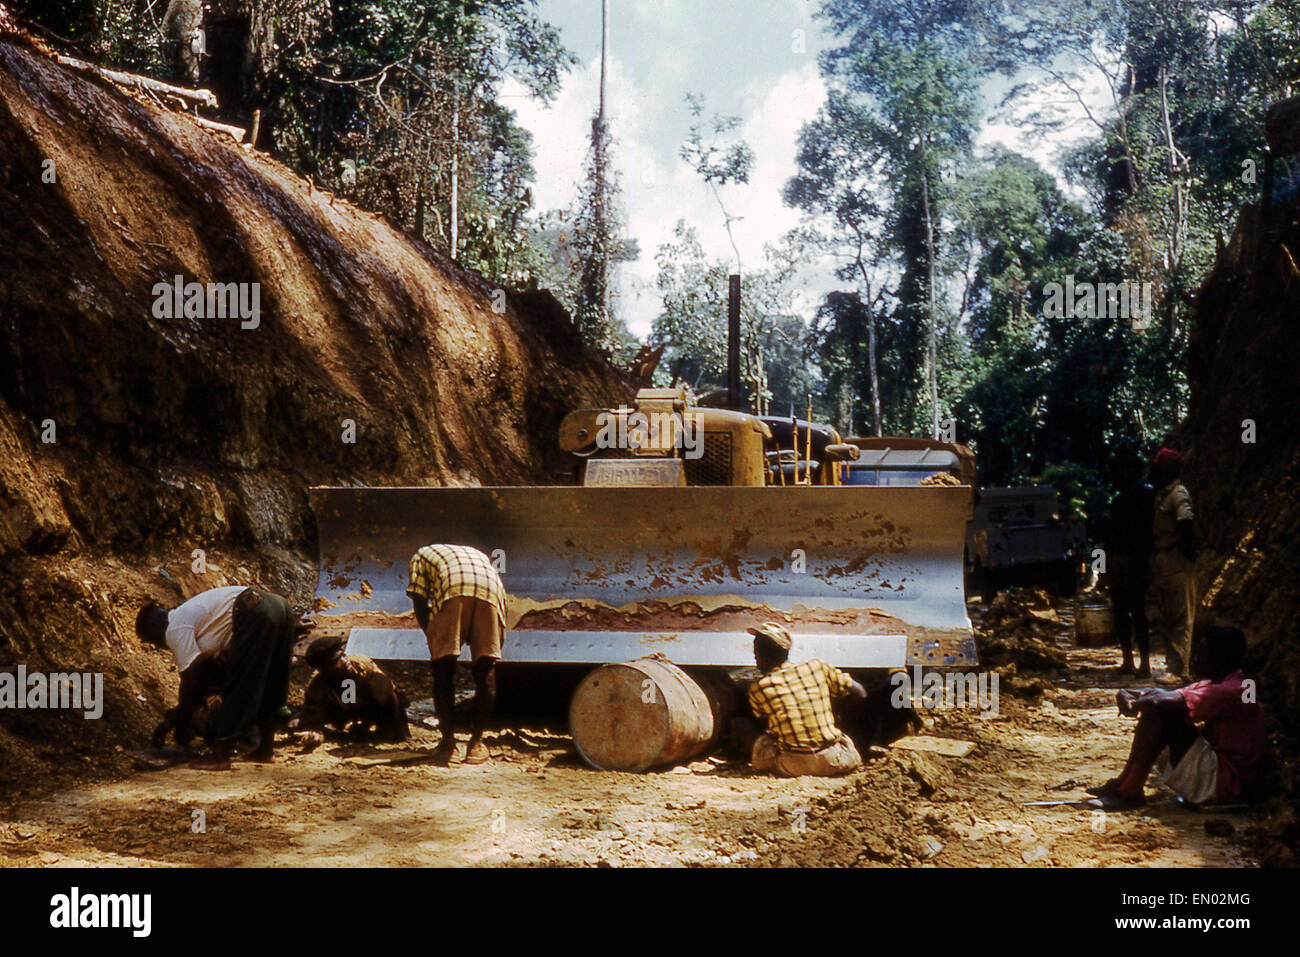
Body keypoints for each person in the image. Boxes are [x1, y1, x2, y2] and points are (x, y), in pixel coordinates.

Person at [1087, 625, 1266, 810]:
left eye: (1200, 655)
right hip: (1222, 777)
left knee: (1163, 713)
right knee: (1163, 708)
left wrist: (1135, 702)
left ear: (1219, 659)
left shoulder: (1231, 690)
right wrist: (1128, 693)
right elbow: (1164, 694)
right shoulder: (1230, 683)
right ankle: (1123, 783)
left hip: (1226, 785)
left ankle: (1130, 791)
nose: (1194, 661)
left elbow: (1161, 700)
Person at [136, 585, 303, 771]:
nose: (160, 645)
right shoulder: (196, 615)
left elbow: (191, 679)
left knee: (240, 684)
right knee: (271, 681)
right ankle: (265, 749)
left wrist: (179, 720)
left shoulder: (174, 628)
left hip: (253, 607)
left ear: (154, 628)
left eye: (152, 640)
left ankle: (220, 755)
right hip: (279, 605)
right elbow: (208, 669)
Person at [406, 544, 508, 765]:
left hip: (453, 588)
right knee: (486, 671)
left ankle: (448, 744)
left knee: (443, 670)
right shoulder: (479, 554)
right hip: (491, 591)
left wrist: (431, 632)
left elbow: (419, 598)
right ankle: (476, 745)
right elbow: (501, 593)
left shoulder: (420, 554)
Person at [732, 622, 865, 777]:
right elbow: (860, 693)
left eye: (756, 652)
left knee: (740, 723)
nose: (755, 658)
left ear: (762, 656)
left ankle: (734, 756)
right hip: (836, 761)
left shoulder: (759, 688)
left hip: (793, 766)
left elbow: (763, 722)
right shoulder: (817, 667)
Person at [296, 635, 409, 742]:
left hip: (373, 705)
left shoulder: (363, 666)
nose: (345, 661)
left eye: (343, 655)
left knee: (390, 728)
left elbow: (389, 696)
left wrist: (400, 733)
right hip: (344, 709)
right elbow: (312, 717)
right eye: (337, 661)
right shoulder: (317, 687)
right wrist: (314, 732)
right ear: (324, 669)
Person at [1148, 447, 1198, 682]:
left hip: (1175, 557)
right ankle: (1172, 666)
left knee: (1180, 615)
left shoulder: (1178, 493)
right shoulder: (1162, 494)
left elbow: (1186, 521)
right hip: (1163, 558)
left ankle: (1180, 670)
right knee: (1167, 613)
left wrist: (1185, 552)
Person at [1105, 468, 1157, 676]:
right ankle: (1141, 663)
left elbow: (1110, 533)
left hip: (1125, 557)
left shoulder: (1122, 499)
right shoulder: (1148, 495)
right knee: (1136, 611)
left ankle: (1131, 661)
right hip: (1135, 558)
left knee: (1123, 611)